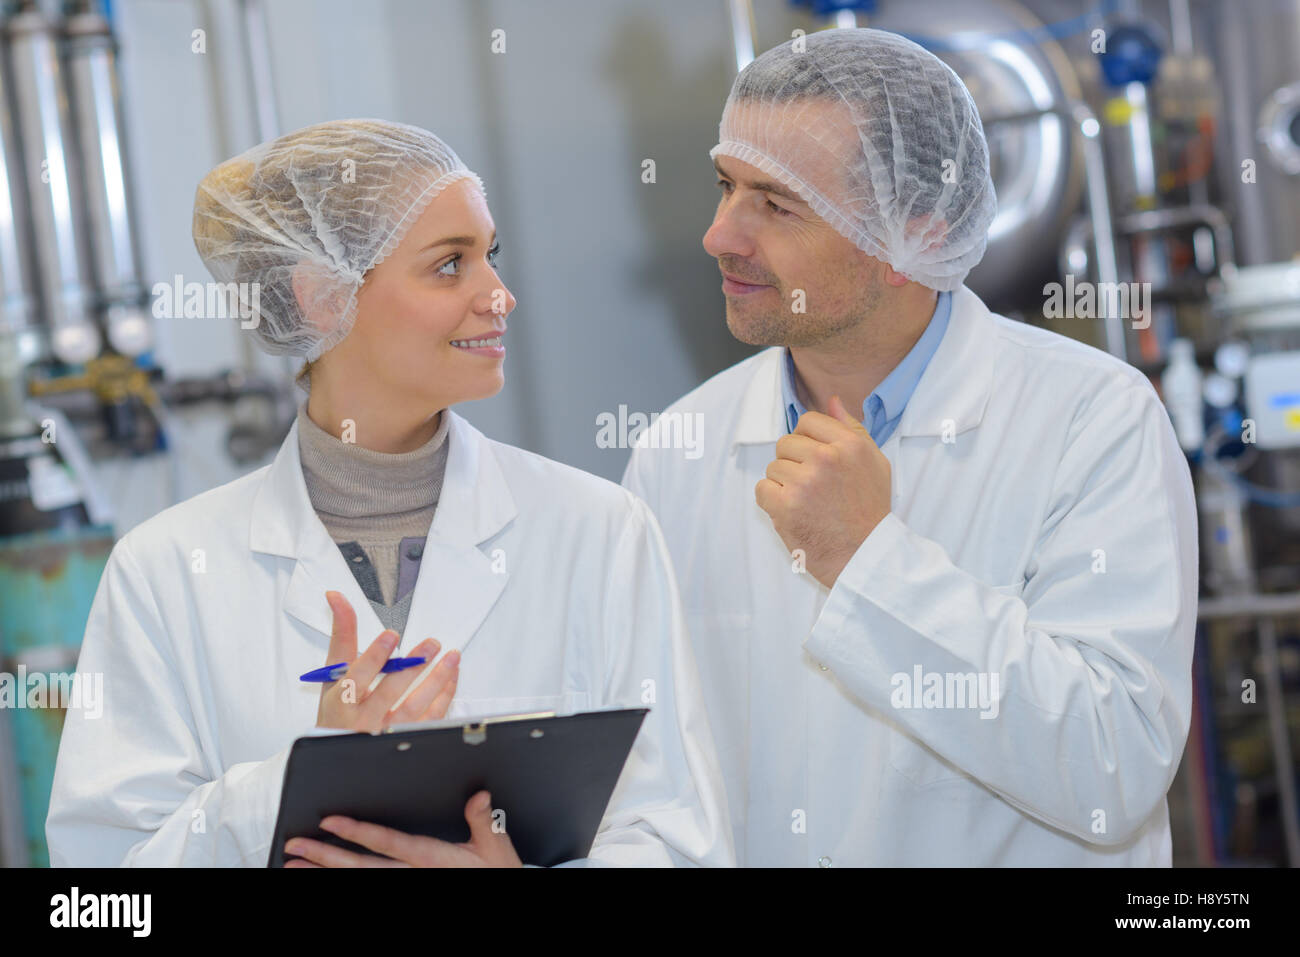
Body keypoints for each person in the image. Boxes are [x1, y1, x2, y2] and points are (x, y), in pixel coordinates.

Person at [46, 118, 733, 868]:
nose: (498, 295)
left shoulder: (598, 531)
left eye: (490, 257)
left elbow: (681, 841)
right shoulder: (166, 571)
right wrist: (288, 791)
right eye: (450, 265)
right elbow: (100, 892)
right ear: (319, 297)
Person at [622, 29, 1199, 866]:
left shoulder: (1094, 420)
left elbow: (1113, 764)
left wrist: (867, 561)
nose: (720, 235)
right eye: (726, 186)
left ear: (911, 235)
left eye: (775, 204)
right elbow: (656, 781)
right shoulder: (675, 451)